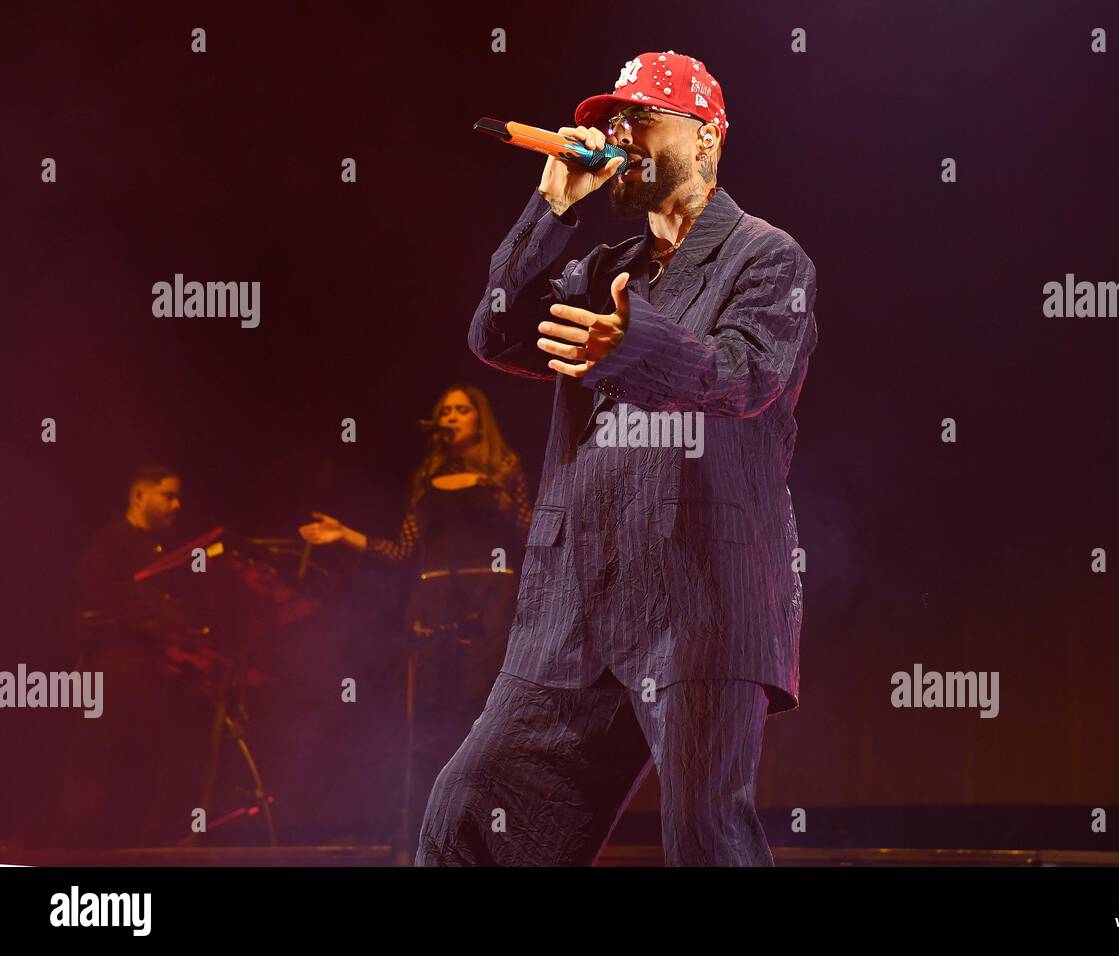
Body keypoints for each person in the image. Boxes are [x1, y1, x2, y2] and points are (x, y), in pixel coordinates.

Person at [417, 51, 818, 866]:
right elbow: (496, 330)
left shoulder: (768, 258)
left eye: (641, 118)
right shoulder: (604, 269)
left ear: (705, 138)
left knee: (706, 836)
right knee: (469, 810)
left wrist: (632, 342)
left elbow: (746, 374)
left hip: (703, 600)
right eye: (612, 121)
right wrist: (550, 209)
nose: (618, 135)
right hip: (576, 604)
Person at [298, 384, 532, 850]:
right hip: (433, 601)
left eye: (461, 410)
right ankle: (427, 835)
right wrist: (345, 534)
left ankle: (490, 833)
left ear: (478, 418)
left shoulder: (503, 467)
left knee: (479, 714)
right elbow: (404, 551)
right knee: (428, 717)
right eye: (445, 410)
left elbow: (531, 530)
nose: (451, 416)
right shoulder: (427, 474)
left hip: (489, 599)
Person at [60, 465, 207, 848]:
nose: (177, 504)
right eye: (168, 495)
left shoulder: (159, 549)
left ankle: (127, 851)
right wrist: (159, 612)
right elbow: (96, 599)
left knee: (141, 770)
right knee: (98, 770)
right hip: (110, 675)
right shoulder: (110, 543)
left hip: (145, 678)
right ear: (139, 496)